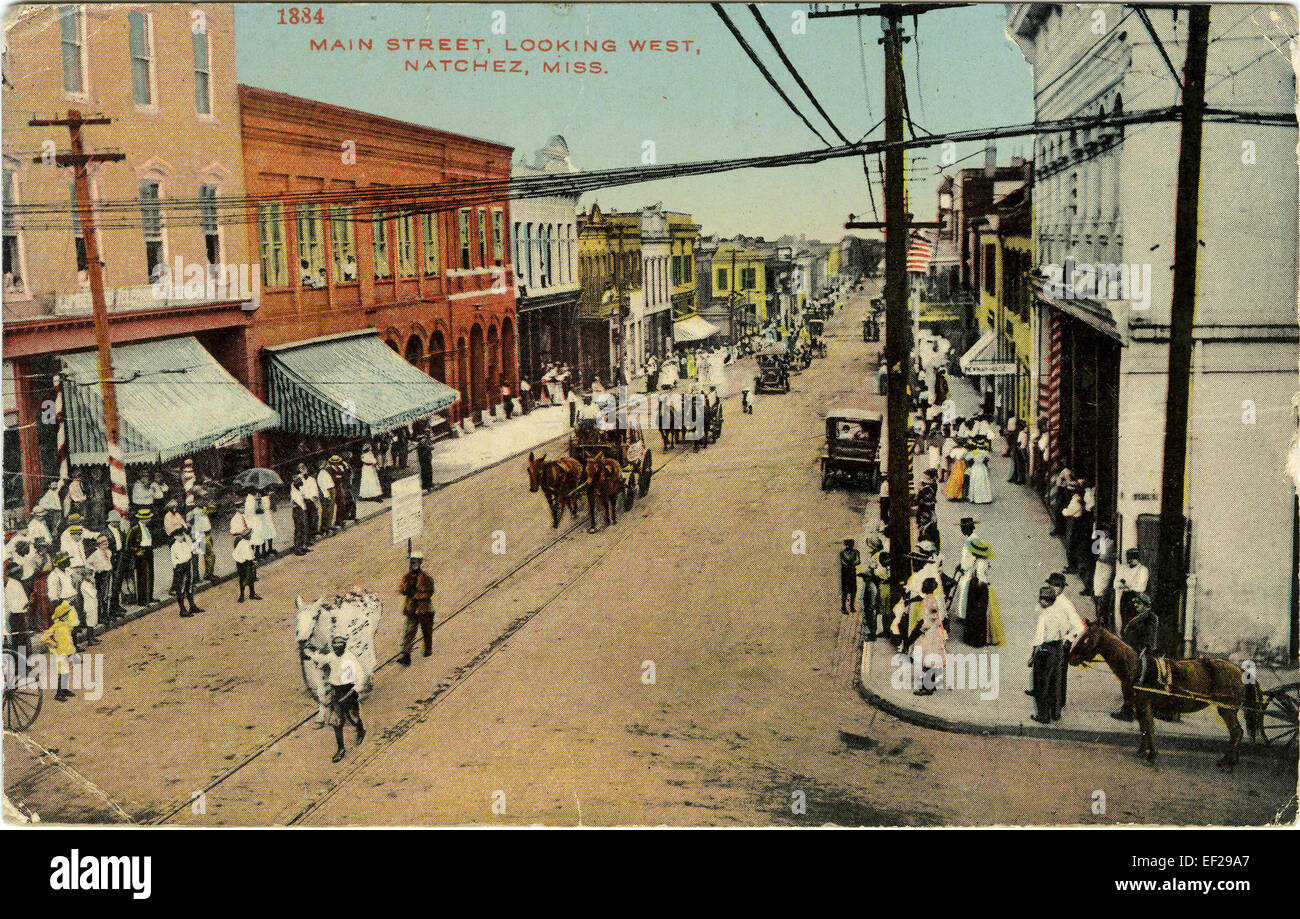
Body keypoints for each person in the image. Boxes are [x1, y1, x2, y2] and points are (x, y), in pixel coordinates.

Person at [301, 635, 367, 762]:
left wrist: (351, 693)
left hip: (349, 691)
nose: (336, 651)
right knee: (337, 722)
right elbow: (322, 658)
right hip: (336, 692)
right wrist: (309, 652)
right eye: (335, 649)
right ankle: (341, 748)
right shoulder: (332, 656)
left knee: (353, 717)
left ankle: (360, 730)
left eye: (339, 649)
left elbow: (360, 677)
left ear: (343, 647)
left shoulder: (350, 659)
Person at [1112, 592, 1160, 721]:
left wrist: (1141, 653)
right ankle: (1129, 710)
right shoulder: (1141, 616)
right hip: (1133, 652)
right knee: (1128, 683)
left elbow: (1149, 639)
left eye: (1139, 603)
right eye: (1136, 603)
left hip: (1141, 655)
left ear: (1145, 605)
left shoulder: (1150, 618)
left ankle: (1127, 713)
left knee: (1130, 683)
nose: (1136, 605)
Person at [1029, 585, 1070, 723]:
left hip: (1046, 651)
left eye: (1040, 599)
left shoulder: (1044, 616)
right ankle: (1056, 713)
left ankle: (1043, 715)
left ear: (1044, 601)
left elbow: (1038, 639)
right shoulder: (1060, 613)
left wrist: (1032, 657)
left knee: (1042, 684)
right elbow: (1066, 631)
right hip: (1058, 649)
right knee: (1056, 683)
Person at [958, 539, 1004, 648]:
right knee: (979, 612)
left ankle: (974, 638)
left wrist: (977, 586)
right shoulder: (983, 561)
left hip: (977, 588)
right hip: (980, 587)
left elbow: (981, 578)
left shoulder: (980, 563)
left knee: (976, 612)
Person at [397, 550, 435, 666]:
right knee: (409, 633)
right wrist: (406, 589)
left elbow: (429, 593)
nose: (414, 564)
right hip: (412, 610)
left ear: (420, 563)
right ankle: (406, 656)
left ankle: (428, 649)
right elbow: (401, 590)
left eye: (416, 562)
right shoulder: (407, 577)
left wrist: (415, 594)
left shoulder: (426, 577)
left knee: (426, 631)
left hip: (424, 610)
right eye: (412, 562)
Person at [911, 577, 948, 695]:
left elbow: (932, 618)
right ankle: (931, 685)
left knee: (927, 659)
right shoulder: (930, 599)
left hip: (929, 634)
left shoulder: (930, 601)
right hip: (932, 632)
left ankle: (927, 688)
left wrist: (921, 629)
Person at [43, 600, 78, 702]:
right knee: (61, 673)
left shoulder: (67, 625)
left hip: (68, 652)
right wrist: (54, 644)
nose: (68, 616)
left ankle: (64, 689)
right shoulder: (55, 626)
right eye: (66, 615)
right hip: (60, 653)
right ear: (61, 616)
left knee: (66, 672)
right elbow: (44, 638)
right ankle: (58, 694)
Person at [1114, 548, 1150, 631]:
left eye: (1132, 558)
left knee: (1134, 623)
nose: (1129, 560)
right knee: (1124, 621)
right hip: (1125, 596)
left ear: (1137, 558)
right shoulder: (1123, 568)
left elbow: (1141, 587)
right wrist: (1129, 584)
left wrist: (1126, 583)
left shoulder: (1143, 570)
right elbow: (1116, 584)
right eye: (1128, 558)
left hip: (1137, 598)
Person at [126, 510, 155, 605]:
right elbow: (128, 543)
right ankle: (142, 600)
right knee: (142, 576)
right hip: (140, 553)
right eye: (146, 518)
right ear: (141, 519)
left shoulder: (148, 527)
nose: (149, 520)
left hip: (149, 551)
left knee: (150, 574)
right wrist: (136, 551)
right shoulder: (135, 528)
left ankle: (149, 597)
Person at [169, 531, 200, 617]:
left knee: (189, 586)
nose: (181, 536)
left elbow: (191, 548)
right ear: (174, 536)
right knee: (181, 588)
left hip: (187, 565)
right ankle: (182, 609)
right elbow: (182, 558)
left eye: (182, 534)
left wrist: (186, 536)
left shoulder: (185, 543)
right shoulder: (174, 546)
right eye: (179, 535)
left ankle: (192, 606)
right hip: (180, 568)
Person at [188, 502, 216, 583]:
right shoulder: (194, 511)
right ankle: (197, 577)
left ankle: (208, 573)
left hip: (205, 532)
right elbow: (189, 522)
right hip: (198, 533)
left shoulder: (204, 508)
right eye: (201, 499)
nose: (203, 501)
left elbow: (213, 509)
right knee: (198, 556)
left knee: (208, 554)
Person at [232, 530, 260, 602]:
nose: (250, 536)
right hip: (245, 563)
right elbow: (249, 556)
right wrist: (253, 561)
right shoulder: (245, 543)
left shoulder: (239, 541)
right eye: (249, 535)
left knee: (244, 579)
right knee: (249, 578)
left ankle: (243, 595)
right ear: (246, 536)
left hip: (240, 563)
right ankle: (249, 594)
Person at [837, 539, 861, 615]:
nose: (851, 546)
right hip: (846, 574)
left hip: (851, 573)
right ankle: (844, 607)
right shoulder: (842, 553)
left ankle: (851, 606)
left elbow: (858, 561)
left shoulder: (856, 552)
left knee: (853, 590)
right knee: (845, 591)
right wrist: (851, 564)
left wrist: (849, 564)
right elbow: (843, 562)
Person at [298, 463, 321, 540]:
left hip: (311, 501)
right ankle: (305, 538)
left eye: (304, 467)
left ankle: (313, 534)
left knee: (313, 518)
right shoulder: (297, 480)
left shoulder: (311, 479)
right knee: (305, 520)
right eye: (300, 468)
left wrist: (315, 499)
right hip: (303, 502)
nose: (303, 469)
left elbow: (315, 490)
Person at [290, 475, 310, 556]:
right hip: (298, 510)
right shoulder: (294, 492)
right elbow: (296, 502)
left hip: (302, 509)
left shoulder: (299, 489)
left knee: (304, 528)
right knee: (299, 529)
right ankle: (297, 548)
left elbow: (305, 496)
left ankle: (303, 546)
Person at [316, 461, 336, 532]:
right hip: (327, 491)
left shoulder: (325, 472)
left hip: (331, 490)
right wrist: (326, 495)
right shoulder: (321, 474)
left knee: (330, 509)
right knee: (326, 510)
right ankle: (325, 527)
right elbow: (322, 486)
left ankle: (329, 525)